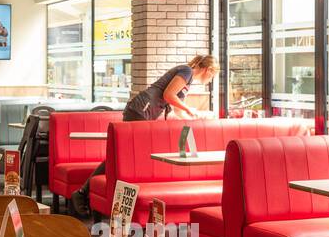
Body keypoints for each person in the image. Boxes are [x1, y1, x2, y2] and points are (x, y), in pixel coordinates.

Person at [70, 54, 219, 215]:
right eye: (213, 75)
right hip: (140, 110)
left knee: (122, 156)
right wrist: (191, 110)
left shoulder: (187, 80)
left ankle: (91, 195)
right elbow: (169, 95)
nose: (211, 80)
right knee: (123, 156)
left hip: (144, 113)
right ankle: (85, 194)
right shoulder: (186, 71)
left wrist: (195, 118)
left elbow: (176, 108)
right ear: (209, 69)